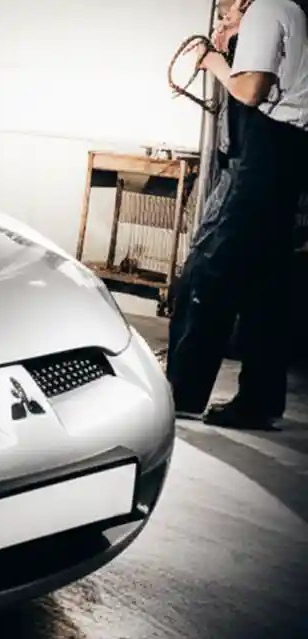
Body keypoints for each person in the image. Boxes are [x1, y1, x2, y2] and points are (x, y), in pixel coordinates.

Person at [167, 0, 308, 429]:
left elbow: (252, 89)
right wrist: (233, 45)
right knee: (267, 288)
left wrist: (213, 61)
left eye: (227, 11)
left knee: (205, 272)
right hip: (286, 154)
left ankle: (181, 396)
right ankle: (259, 402)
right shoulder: (290, 9)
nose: (223, 14)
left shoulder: (265, 8)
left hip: (262, 158)